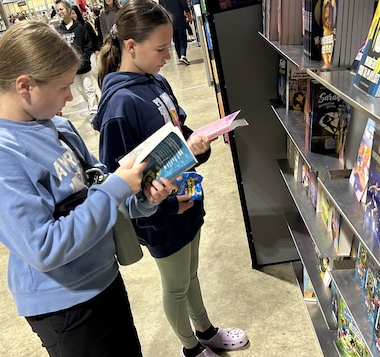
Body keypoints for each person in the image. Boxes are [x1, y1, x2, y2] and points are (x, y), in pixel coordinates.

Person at [0, 20, 172, 357]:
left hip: (103, 278)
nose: (70, 96)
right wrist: (116, 189)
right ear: (25, 86)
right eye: (62, 87)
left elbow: (100, 188)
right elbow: (43, 248)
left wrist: (143, 198)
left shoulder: (57, 126)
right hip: (64, 304)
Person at [92, 1, 249, 356]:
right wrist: (162, 210)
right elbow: (117, 182)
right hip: (162, 216)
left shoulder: (156, 82)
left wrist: (200, 144)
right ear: (131, 46)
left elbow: (180, 132)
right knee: (176, 284)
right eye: (160, 48)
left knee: (190, 272)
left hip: (185, 198)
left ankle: (204, 329)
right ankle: (191, 348)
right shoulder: (120, 105)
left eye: (169, 46)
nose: (168, 55)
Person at [55, 0, 100, 117]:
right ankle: (93, 102)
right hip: (72, 68)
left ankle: (94, 112)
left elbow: (88, 44)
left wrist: (84, 59)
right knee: (81, 90)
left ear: (68, 10)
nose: (59, 12)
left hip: (84, 66)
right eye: (58, 10)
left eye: (61, 9)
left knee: (89, 88)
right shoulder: (59, 30)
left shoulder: (79, 27)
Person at [159, 0, 191, 65]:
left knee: (175, 38)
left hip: (169, 20)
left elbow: (161, 8)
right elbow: (183, 4)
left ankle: (180, 57)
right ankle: (182, 55)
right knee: (182, 38)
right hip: (179, 18)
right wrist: (188, 13)